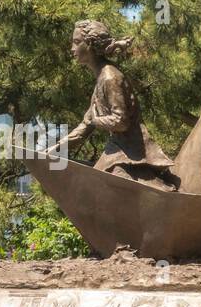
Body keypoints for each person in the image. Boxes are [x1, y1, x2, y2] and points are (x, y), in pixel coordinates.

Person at [59, 19, 177, 191]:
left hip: (131, 154)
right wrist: (54, 149)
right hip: (119, 150)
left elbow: (120, 121)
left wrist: (95, 121)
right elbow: (86, 124)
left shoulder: (109, 77)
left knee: (105, 193)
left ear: (90, 45)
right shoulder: (101, 77)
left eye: (77, 42)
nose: (72, 48)